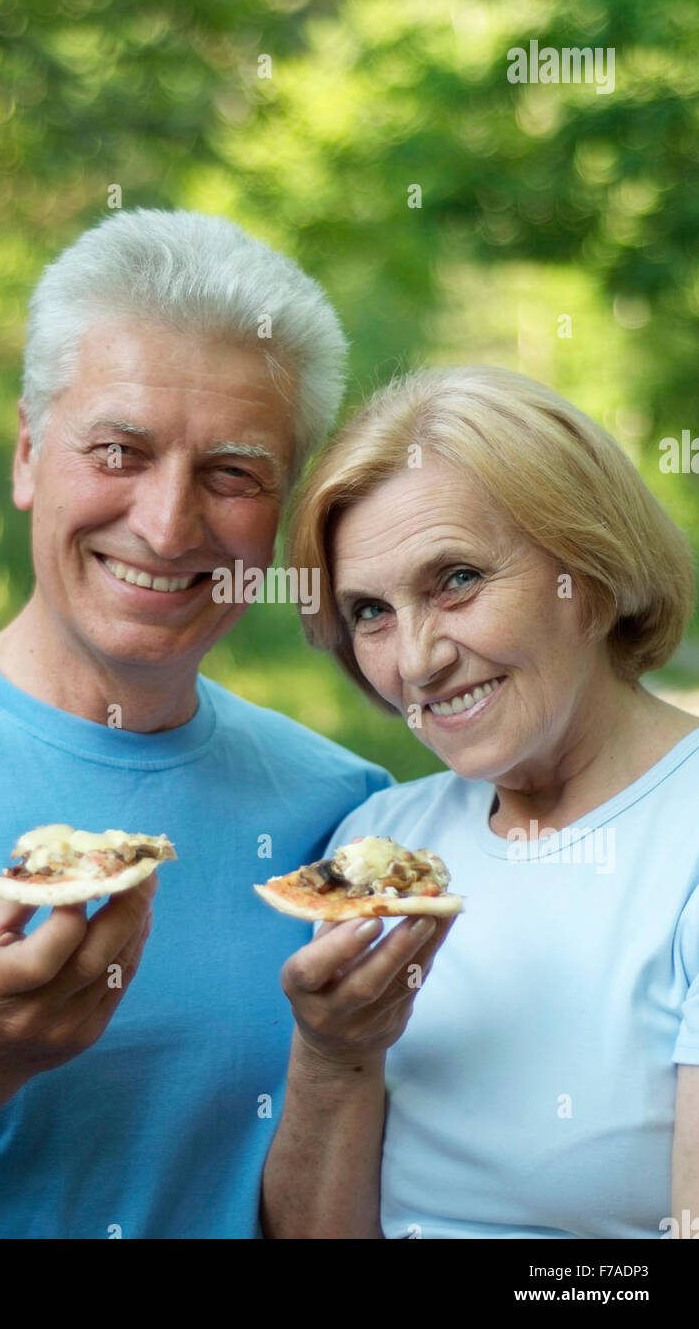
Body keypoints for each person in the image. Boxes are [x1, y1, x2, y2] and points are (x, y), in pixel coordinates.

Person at [0, 208, 408, 1239]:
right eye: (118, 449)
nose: (166, 522)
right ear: (25, 454)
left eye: (231, 473)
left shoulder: (345, 814)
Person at [262, 364, 699, 1239]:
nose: (417, 662)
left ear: (593, 569)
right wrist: (334, 1053)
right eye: (371, 613)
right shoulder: (380, 842)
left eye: (455, 579)